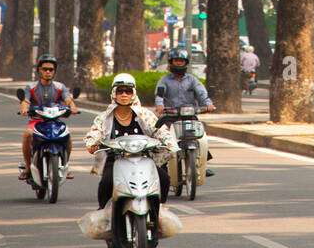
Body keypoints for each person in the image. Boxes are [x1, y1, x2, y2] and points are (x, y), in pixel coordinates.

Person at [84, 73, 177, 210]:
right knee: (107, 182)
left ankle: (158, 210)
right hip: (115, 159)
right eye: (120, 91)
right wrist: (92, 144)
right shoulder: (104, 117)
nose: (124, 94)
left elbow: (159, 130)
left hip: (143, 159)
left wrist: (169, 142)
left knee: (163, 178)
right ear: (114, 93)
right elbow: (95, 133)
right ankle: (102, 212)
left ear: (133, 93)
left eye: (128, 91)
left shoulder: (145, 115)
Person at [155, 49, 216, 175]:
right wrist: (160, 106)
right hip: (170, 116)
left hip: (189, 115)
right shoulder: (164, 80)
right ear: (171, 62)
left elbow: (202, 93)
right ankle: (163, 165)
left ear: (186, 63)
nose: (178, 63)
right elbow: (159, 96)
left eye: (181, 61)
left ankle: (202, 164)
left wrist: (208, 104)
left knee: (200, 137)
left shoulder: (192, 80)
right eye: (176, 60)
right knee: (162, 138)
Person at [18, 54, 79, 180]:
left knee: (68, 135)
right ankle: (28, 168)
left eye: (50, 69)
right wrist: (24, 108)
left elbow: (68, 100)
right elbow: (26, 100)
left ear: (54, 71)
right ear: (39, 70)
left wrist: (72, 107)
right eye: (44, 69)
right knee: (27, 135)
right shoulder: (31, 87)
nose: (47, 72)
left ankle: (65, 165)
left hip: (55, 121)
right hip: (37, 121)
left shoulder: (60, 87)